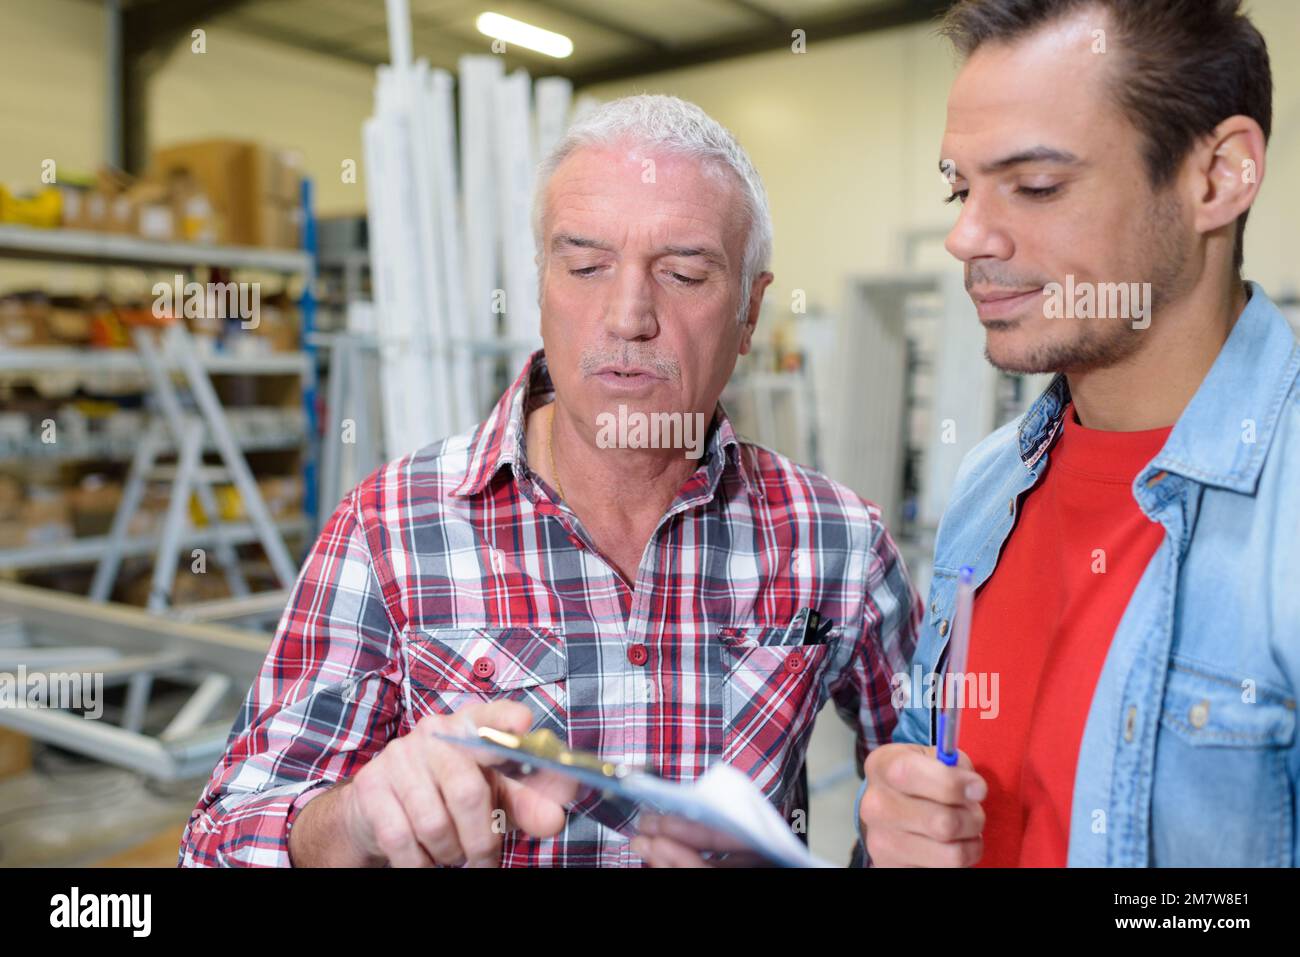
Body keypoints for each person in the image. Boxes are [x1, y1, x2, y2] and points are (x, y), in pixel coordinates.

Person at [179, 94, 921, 868]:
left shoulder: (836, 541)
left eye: (684, 273)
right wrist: (356, 822)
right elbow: (214, 844)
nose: (629, 315)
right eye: (586, 265)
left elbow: (933, 798)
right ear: (541, 286)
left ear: (749, 312)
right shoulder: (388, 530)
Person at [860, 0, 1298, 867]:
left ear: (1217, 177)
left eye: (1036, 186)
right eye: (960, 187)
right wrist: (898, 813)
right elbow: (923, 745)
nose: (964, 236)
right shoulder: (991, 484)